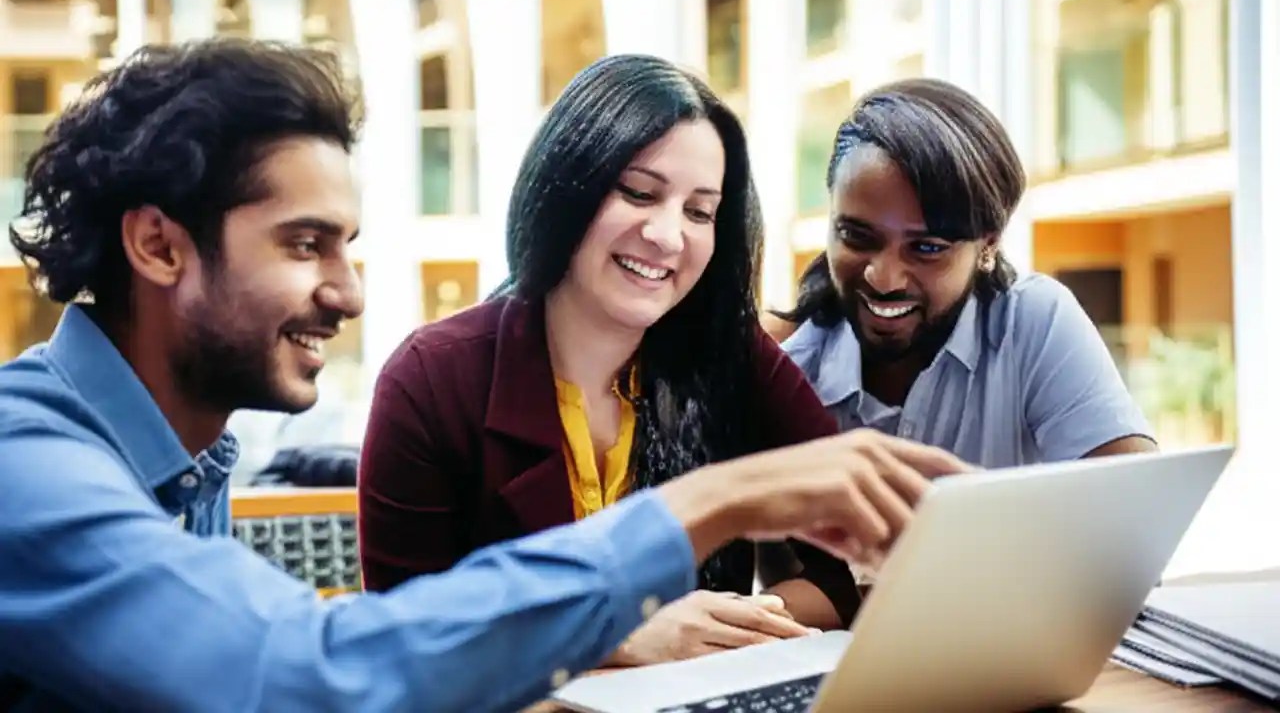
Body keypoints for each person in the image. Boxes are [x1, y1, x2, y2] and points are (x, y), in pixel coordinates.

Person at [0, 39, 965, 712]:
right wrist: (711, 505)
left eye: (348, 247)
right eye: (305, 245)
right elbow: (307, 672)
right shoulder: (27, 463)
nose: (347, 293)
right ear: (160, 247)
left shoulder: (184, 461)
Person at [358, 54, 896, 664]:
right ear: (565, 188)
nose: (668, 237)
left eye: (699, 212)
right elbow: (399, 643)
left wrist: (718, 630)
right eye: (639, 193)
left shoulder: (736, 360)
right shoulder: (431, 378)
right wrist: (615, 638)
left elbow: (845, 576)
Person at [769, 79, 1157, 468]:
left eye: (927, 249)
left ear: (988, 246)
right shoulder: (788, 372)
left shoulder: (1031, 324)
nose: (883, 278)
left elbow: (1137, 504)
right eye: (856, 236)